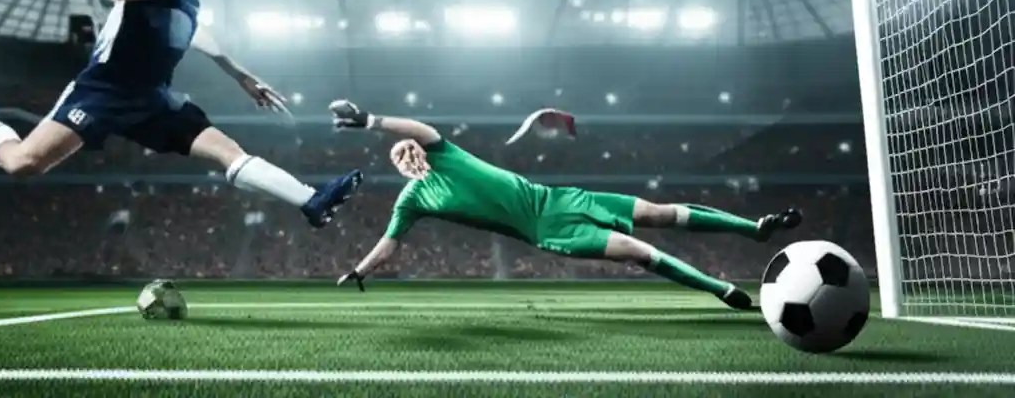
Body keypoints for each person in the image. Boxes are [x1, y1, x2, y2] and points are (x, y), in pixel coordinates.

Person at [0, 0, 362, 227]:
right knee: (23, 163)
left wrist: (242, 77)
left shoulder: (191, 4)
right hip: (101, 92)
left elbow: (202, 39)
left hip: (155, 100)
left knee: (227, 150)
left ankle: (312, 199)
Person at [328, 100, 801, 308]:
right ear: (399, 168)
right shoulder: (414, 199)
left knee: (657, 212)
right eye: (400, 154)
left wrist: (371, 120)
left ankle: (754, 229)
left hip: (562, 198)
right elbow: (389, 244)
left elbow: (420, 128)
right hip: (550, 231)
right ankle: (719, 288)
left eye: (408, 146)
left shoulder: (444, 153)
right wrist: (361, 271)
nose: (408, 152)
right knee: (638, 252)